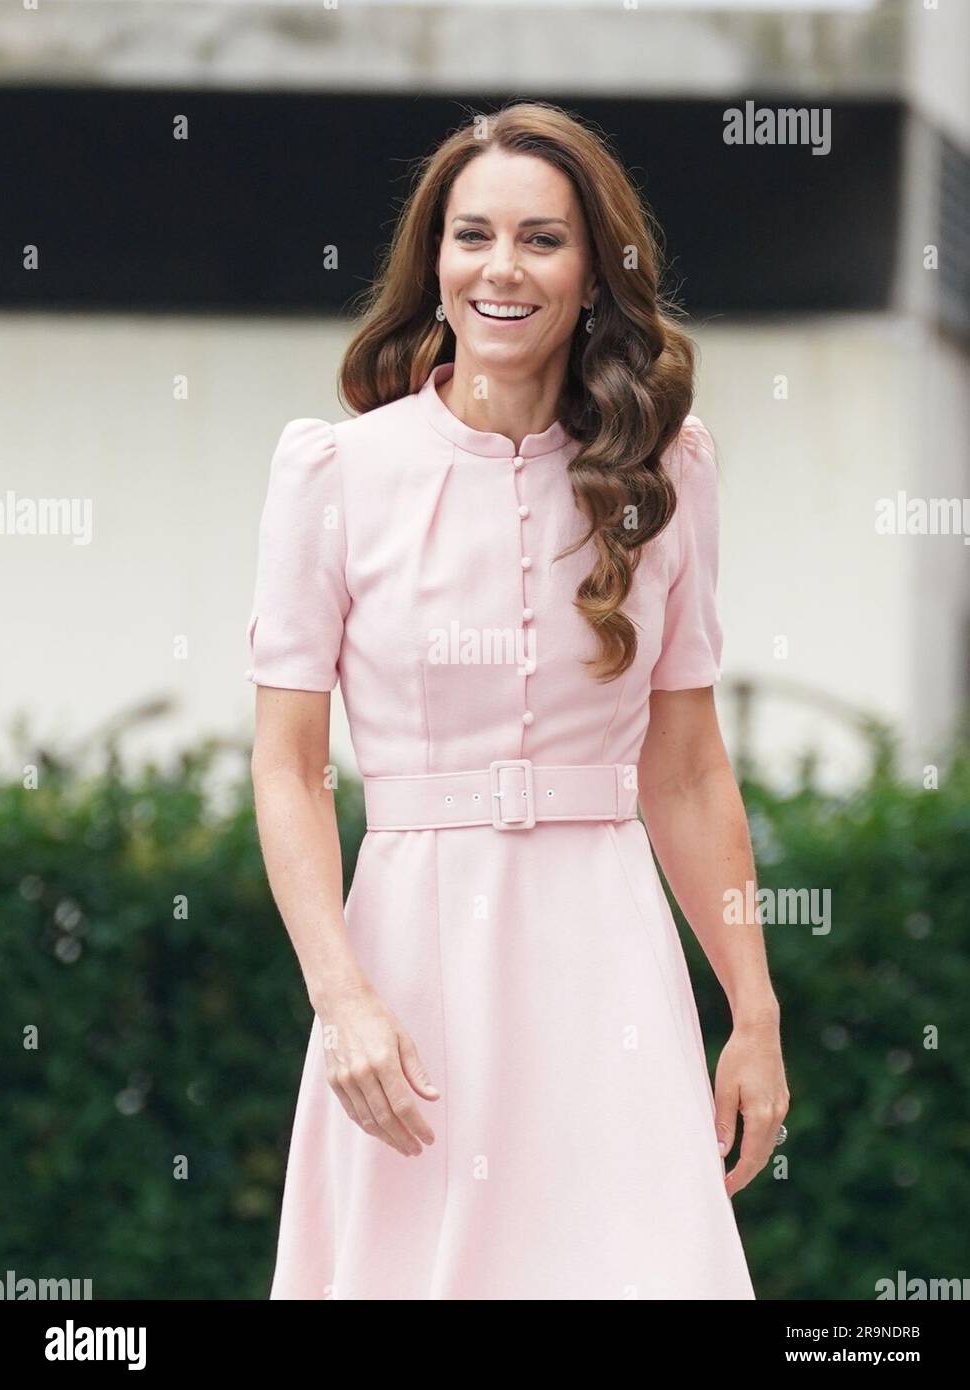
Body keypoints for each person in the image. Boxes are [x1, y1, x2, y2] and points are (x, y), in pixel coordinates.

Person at [246, 101, 789, 1300]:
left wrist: (754, 1011)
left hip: (608, 961)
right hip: (408, 964)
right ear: (432, 264)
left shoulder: (669, 472)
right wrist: (342, 998)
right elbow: (288, 768)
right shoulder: (333, 475)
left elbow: (689, 769)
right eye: (471, 235)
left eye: (542, 239)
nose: (502, 267)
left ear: (594, 272)